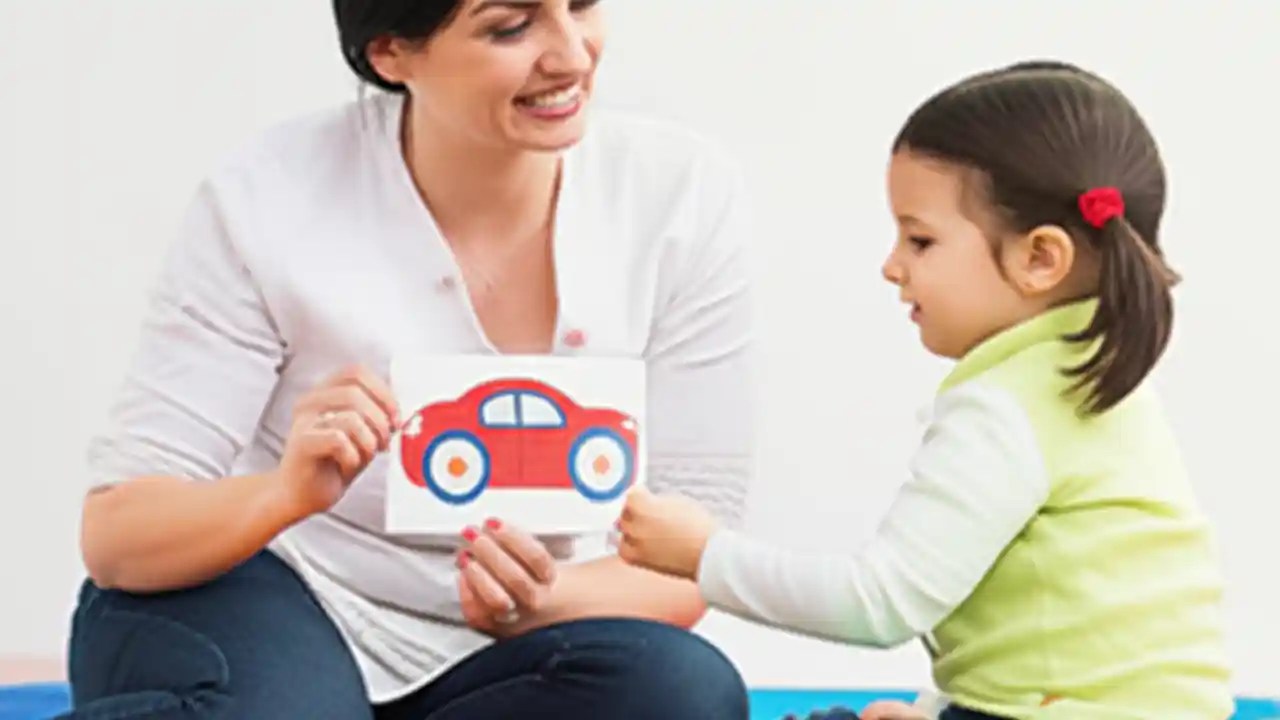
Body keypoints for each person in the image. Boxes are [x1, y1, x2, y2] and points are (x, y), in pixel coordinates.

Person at [61, 1, 755, 717]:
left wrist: (545, 602)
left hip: (495, 650)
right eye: (510, 27)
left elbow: (700, 552)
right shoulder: (268, 197)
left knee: (683, 694)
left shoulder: (679, 196)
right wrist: (287, 493)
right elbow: (119, 536)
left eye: (579, 5)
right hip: (270, 589)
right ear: (391, 53)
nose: (572, 56)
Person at [617, 60, 1233, 720]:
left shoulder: (1005, 410)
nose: (891, 265)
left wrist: (704, 554)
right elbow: (1059, 625)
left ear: (1039, 258)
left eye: (920, 239)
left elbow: (880, 603)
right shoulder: (1095, 378)